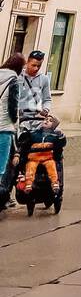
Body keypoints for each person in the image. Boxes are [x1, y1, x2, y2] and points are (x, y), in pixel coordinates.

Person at [0, 54, 25, 208]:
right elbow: (13, 107)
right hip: (4, 127)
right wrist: (16, 123)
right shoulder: (13, 80)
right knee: (2, 167)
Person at [18, 51, 53, 127]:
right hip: (18, 117)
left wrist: (45, 110)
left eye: (39, 66)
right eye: (33, 65)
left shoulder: (44, 79)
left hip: (36, 117)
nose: (36, 68)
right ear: (27, 63)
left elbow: (47, 99)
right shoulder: (17, 77)